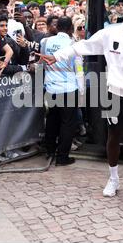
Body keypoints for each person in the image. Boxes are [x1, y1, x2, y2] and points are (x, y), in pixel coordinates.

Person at [37, 0, 123, 211]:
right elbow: (84, 45)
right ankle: (113, 178)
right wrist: (57, 56)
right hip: (115, 96)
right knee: (114, 137)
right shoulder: (111, 34)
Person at [40, 16, 79, 166]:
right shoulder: (73, 44)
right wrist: (81, 90)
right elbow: (79, 69)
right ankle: (62, 157)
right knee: (67, 123)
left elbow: (43, 62)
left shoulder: (46, 42)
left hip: (51, 87)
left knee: (52, 119)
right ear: (70, 29)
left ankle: (50, 151)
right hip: (68, 88)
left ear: (57, 27)